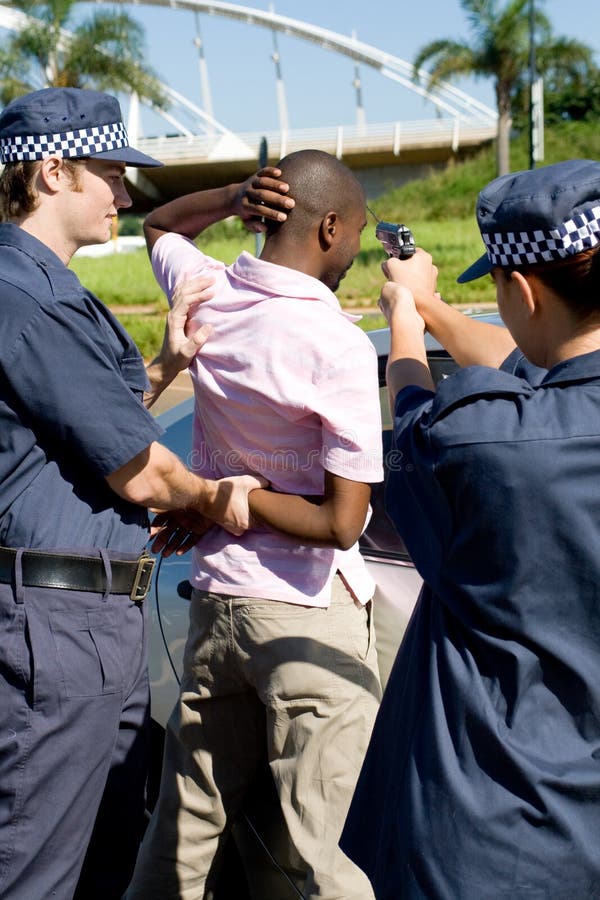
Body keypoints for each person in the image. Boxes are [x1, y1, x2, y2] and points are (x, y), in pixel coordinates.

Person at [0, 86, 266, 900]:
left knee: (98, 866)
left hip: (88, 618)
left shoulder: (36, 290)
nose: (124, 192)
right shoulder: (26, 297)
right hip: (57, 624)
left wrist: (165, 366)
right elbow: (142, 471)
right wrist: (225, 498)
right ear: (52, 174)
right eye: (110, 172)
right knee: (37, 872)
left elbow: (73, 428)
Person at [126, 149, 384, 900]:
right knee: (322, 856)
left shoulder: (205, 292)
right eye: (358, 233)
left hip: (217, 606)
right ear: (329, 227)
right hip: (306, 617)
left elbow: (161, 223)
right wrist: (219, 495)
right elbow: (342, 524)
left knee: (183, 836)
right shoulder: (335, 343)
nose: (359, 249)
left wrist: (235, 195)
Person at [341, 158, 600, 898]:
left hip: (487, 834)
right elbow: (543, 366)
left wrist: (403, 318)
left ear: (520, 289)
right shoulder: (517, 425)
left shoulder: (483, 443)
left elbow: (421, 412)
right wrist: (432, 311)